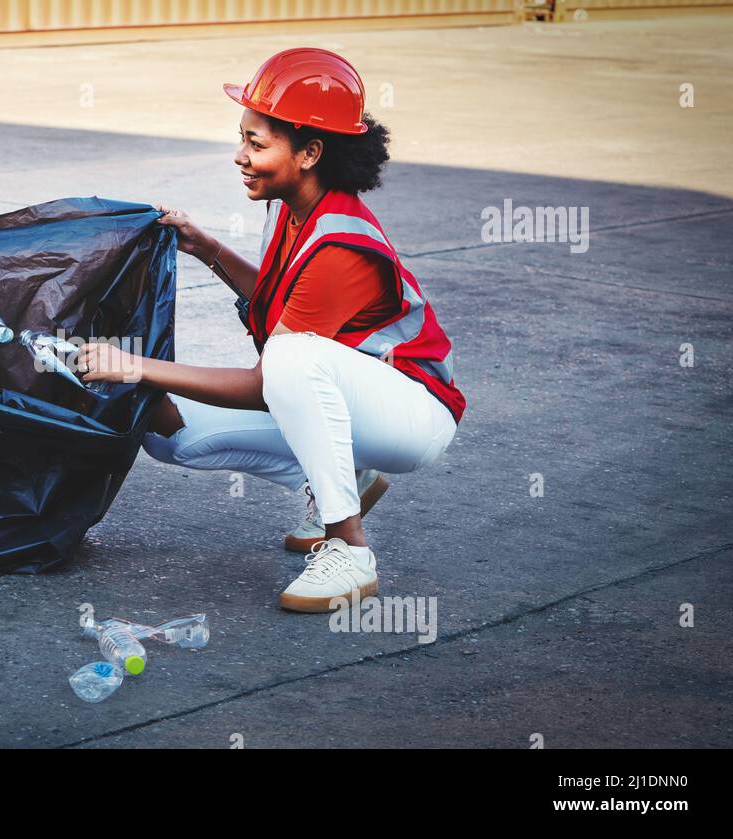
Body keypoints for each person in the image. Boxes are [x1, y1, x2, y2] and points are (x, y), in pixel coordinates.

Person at [79, 48, 465, 612]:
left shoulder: (340, 243)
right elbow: (282, 297)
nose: (240, 156)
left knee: (290, 361)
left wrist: (134, 366)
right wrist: (208, 248)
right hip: (355, 398)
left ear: (310, 152)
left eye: (257, 144)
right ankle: (343, 484)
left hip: (413, 414)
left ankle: (349, 551)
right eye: (243, 138)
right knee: (165, 427)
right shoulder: (292, 206)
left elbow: (271, 377)